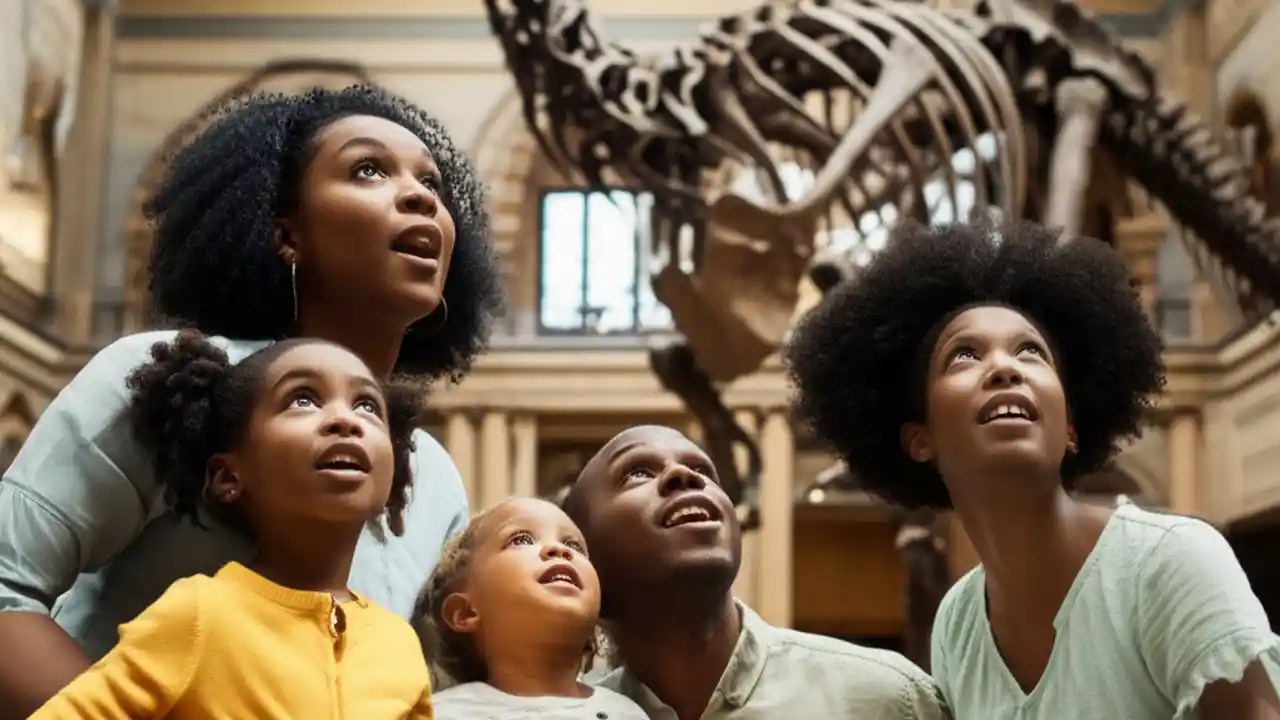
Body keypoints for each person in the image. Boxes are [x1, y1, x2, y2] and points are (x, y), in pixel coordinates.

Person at [0, 84, 503, 717]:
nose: (419, 196)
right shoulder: (165, 380)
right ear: (285, 233)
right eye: (368, 169)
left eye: (432, 183)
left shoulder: (432, 477)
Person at [785, 220, 1280, 719]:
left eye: (1030, 351)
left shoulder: (1169, 564)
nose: (1005, 367)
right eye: (964, 355)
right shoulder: (958, 622)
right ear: (920, 439)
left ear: (1070, 427)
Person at [33, 331, 433, 718]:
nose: (345, 420)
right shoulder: (198, 614)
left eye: (367, 406)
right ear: (228, 477)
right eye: (303, 399)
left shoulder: (400, 646)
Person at [563, 424, 951, 720]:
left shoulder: (886, 700)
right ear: (582, 558)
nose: (685, 476)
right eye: (637, 473)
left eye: (704, 470)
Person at [417, 496, 647, 720]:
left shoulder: (628, 713)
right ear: (465, 612)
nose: (559, 550)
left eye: (574, 545)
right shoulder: (438, 713)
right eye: (521, 540)